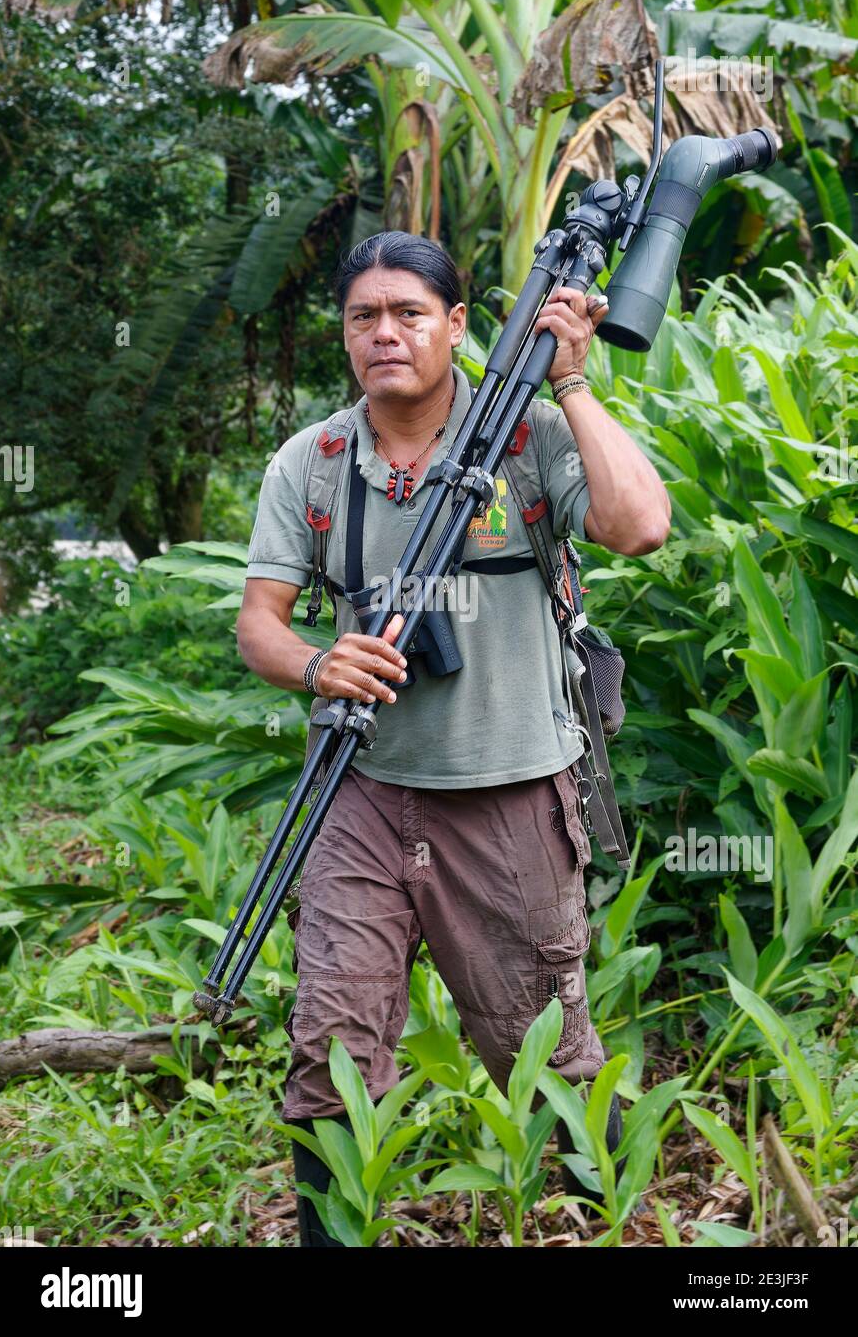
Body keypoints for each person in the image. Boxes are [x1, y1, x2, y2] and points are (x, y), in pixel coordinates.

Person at [238, 231, 671, 1244]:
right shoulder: (314, 461)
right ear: (345, 334)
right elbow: (260, 622)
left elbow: (639, 524)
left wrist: (571, 385)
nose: (384, 333)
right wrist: (316, 662)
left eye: (409, 313)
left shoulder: (524, 438)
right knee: (329, 1043)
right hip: (359, 785)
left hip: (510, 788)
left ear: (457, 326)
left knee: (547, 1051)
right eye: (362, 317)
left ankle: (609, 1231)